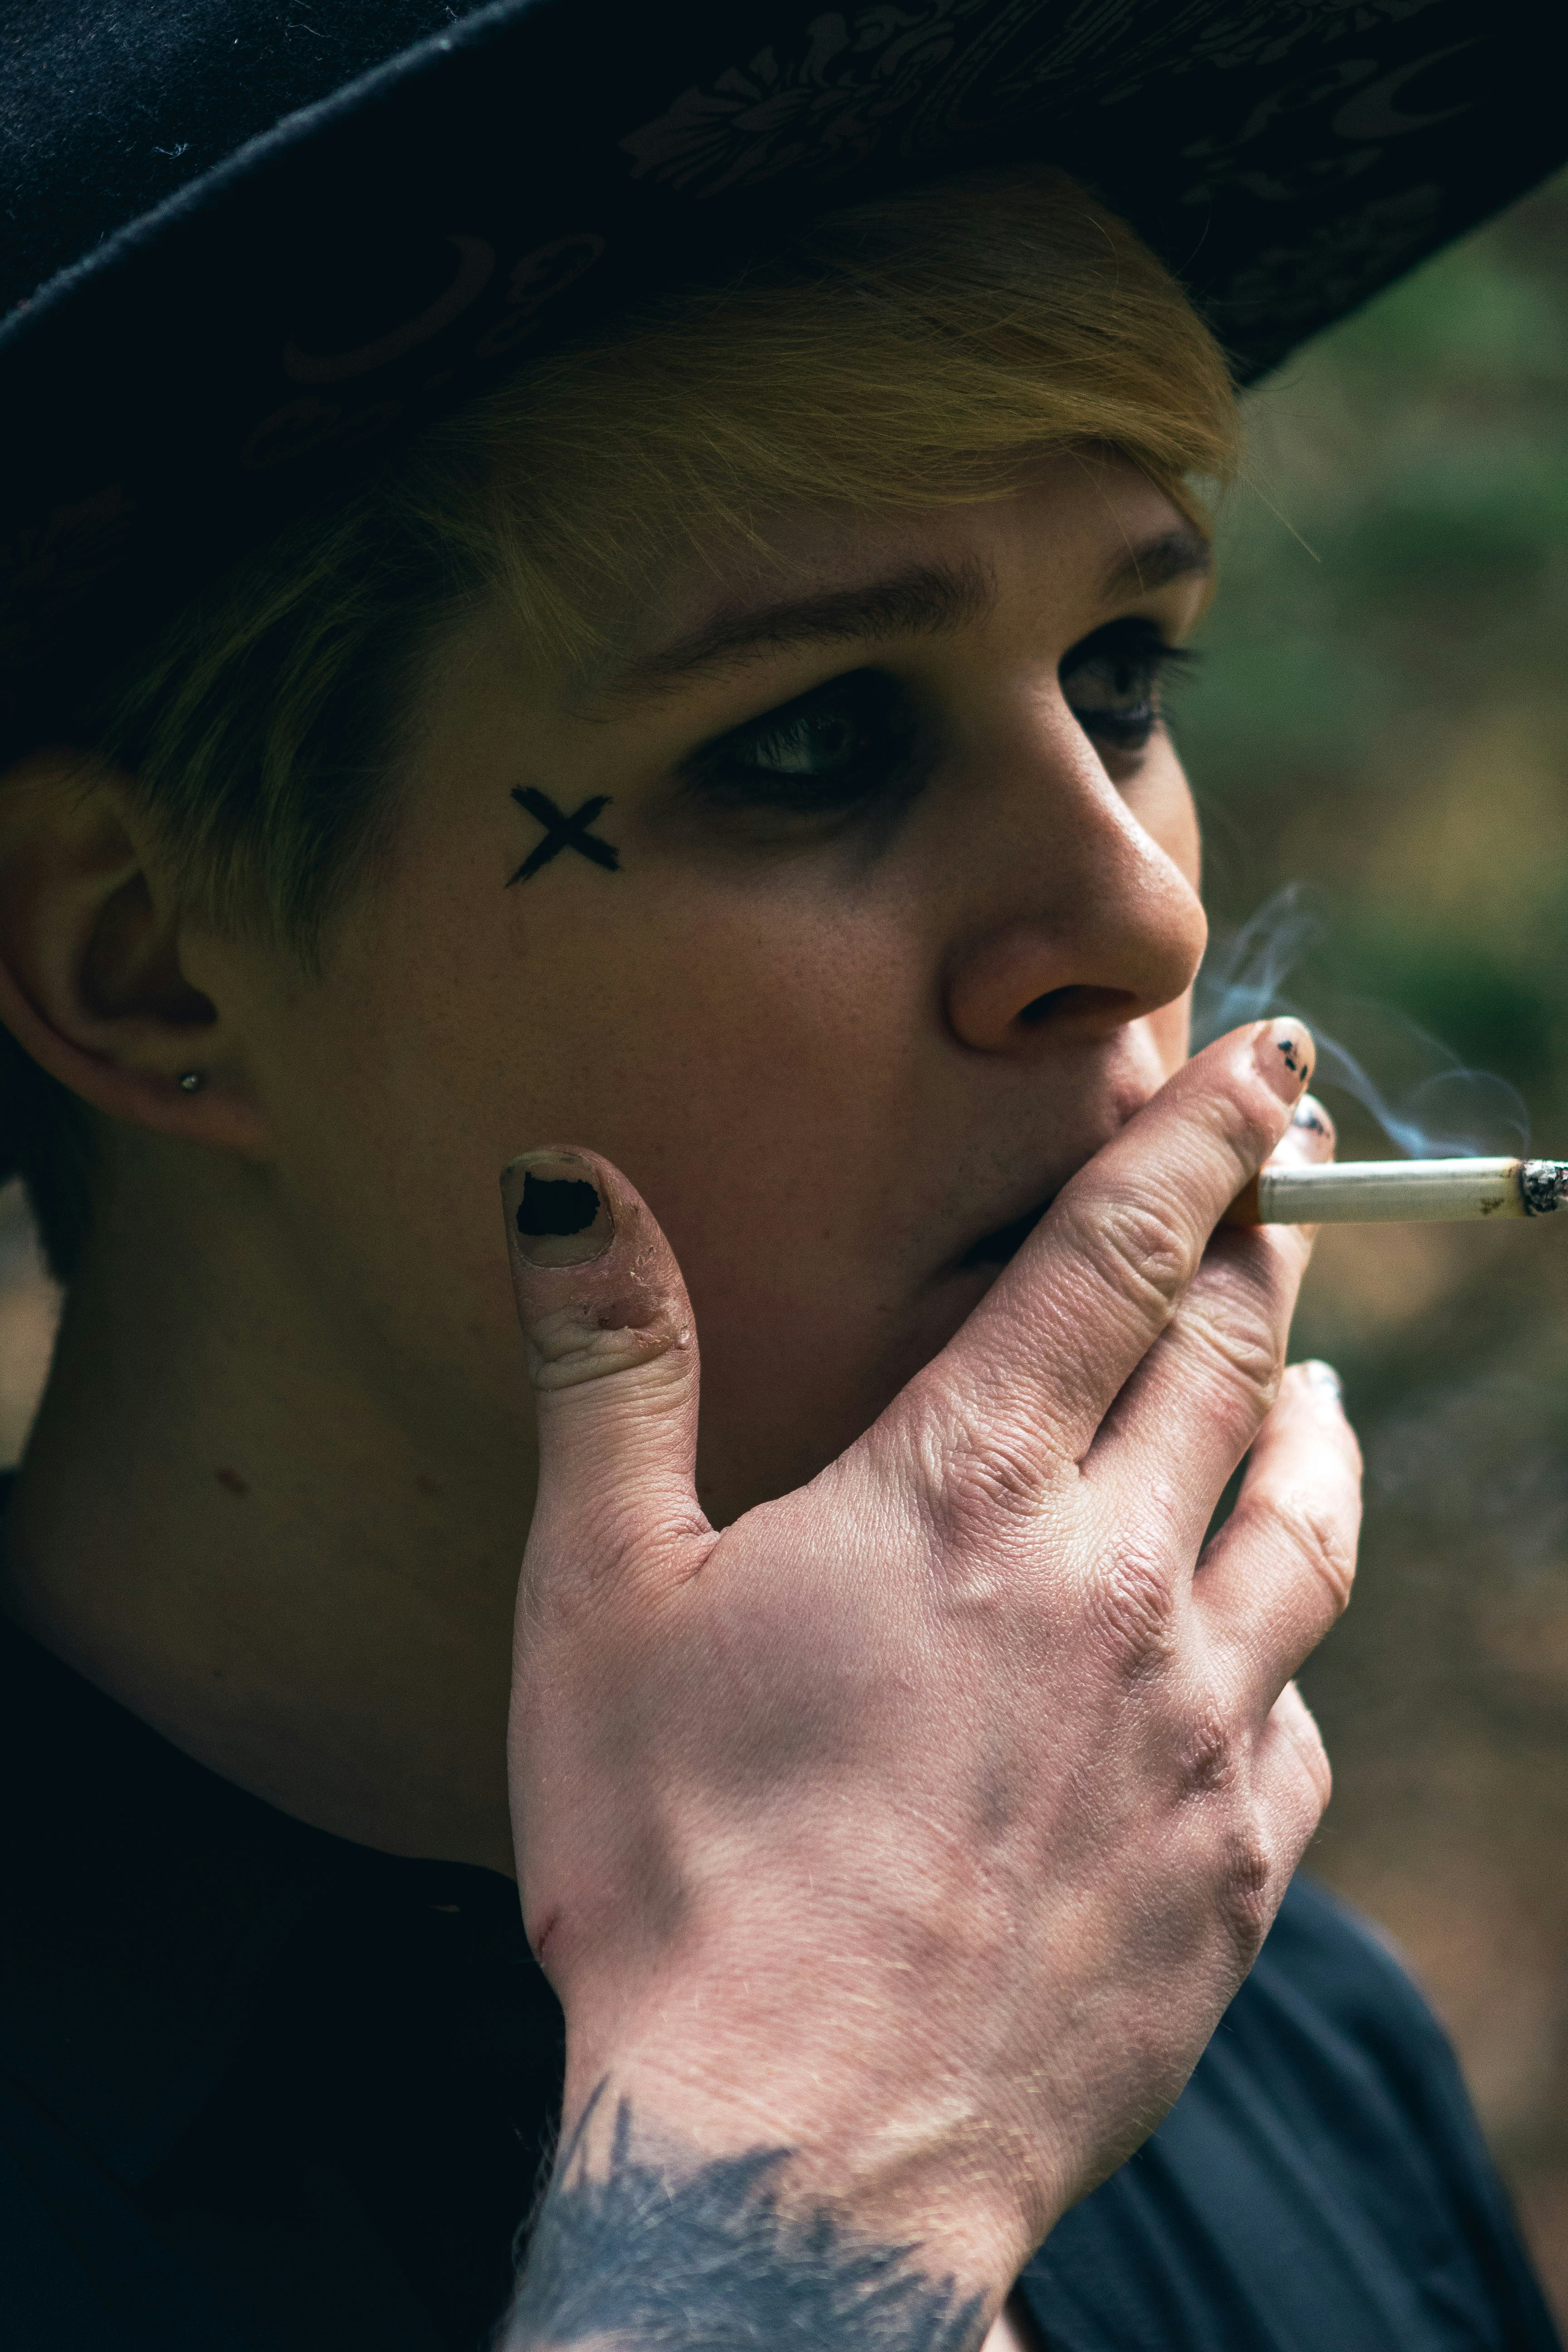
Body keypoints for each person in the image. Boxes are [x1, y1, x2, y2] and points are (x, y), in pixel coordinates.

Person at [0, 8, 1561, 2349]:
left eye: (1125, 671)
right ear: (150, 970)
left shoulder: (1245, 2025)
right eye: (812, 739)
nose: (1134, 913)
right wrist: (822, 2177)